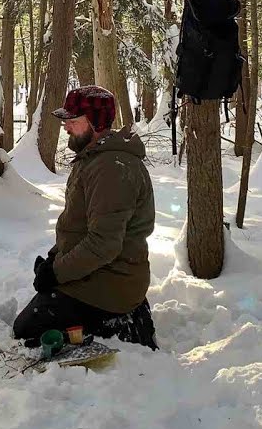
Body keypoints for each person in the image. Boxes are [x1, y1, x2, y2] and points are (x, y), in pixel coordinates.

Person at [13, 85, 158, 349]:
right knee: (29, 323)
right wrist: (55, 258)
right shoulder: (94, 159)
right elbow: (78, 225)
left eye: (73, 121)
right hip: (96, 273)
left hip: (110, 281)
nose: (66, 127)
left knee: (27, 330)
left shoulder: (111, 169)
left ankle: (121, 322)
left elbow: (103, 244)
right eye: (65, 120)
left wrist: (56, 273)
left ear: (96, 123)